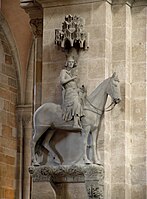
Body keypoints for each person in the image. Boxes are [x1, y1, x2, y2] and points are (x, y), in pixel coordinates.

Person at [60, 55, 85, 129]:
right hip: (69, 92)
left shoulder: (71, 73)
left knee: (81, 101)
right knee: (76, 103)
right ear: (67, 63)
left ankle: (79, 120)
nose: (71, 64)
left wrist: (80, 89)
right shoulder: (63, 71)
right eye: (69, 62)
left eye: (72, 62)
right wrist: (72, 79)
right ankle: (75, 123)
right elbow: (62, 81)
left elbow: (74, 85)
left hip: (74, 91)